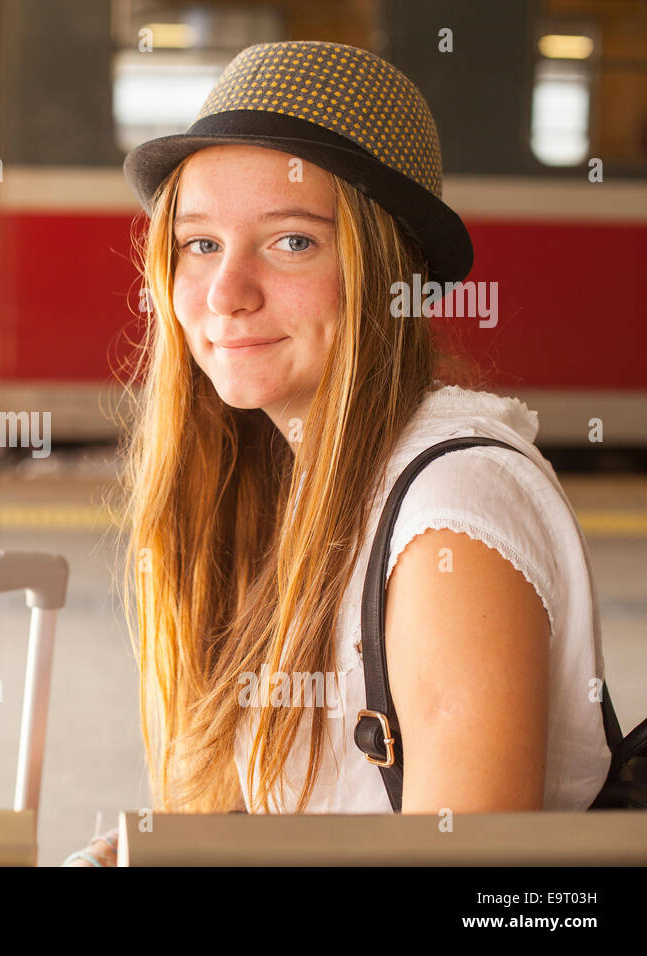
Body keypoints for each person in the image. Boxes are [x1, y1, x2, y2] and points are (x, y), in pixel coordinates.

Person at [63, 40, 611, 865]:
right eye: (200, 243)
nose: (226, 293)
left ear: (387, 270)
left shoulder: (450, 518)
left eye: (292, 243)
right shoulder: (284, 476)